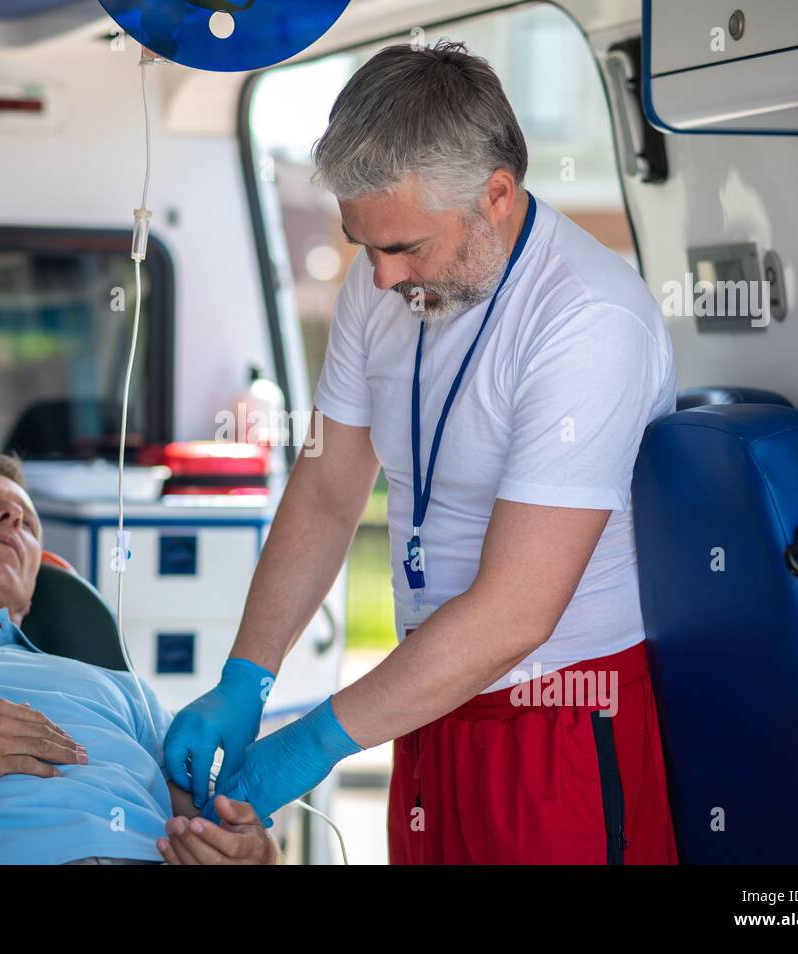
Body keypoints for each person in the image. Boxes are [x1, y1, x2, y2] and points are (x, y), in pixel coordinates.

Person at [164, 40, 680, 864]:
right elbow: (330, 484)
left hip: (555, 725)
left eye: (404, 247)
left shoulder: (587, 321)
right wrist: (247, 677)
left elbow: (516, 612)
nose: (377, 278)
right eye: (363, 244)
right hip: (425, 702)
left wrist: (312, 743)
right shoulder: (384, 287)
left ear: (498, 196)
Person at [0, 453, 277, 865]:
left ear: (32, 581)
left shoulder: (123, 688)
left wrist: (254, 850)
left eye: (28, 523)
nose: (11, 517)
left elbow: (218, 816)